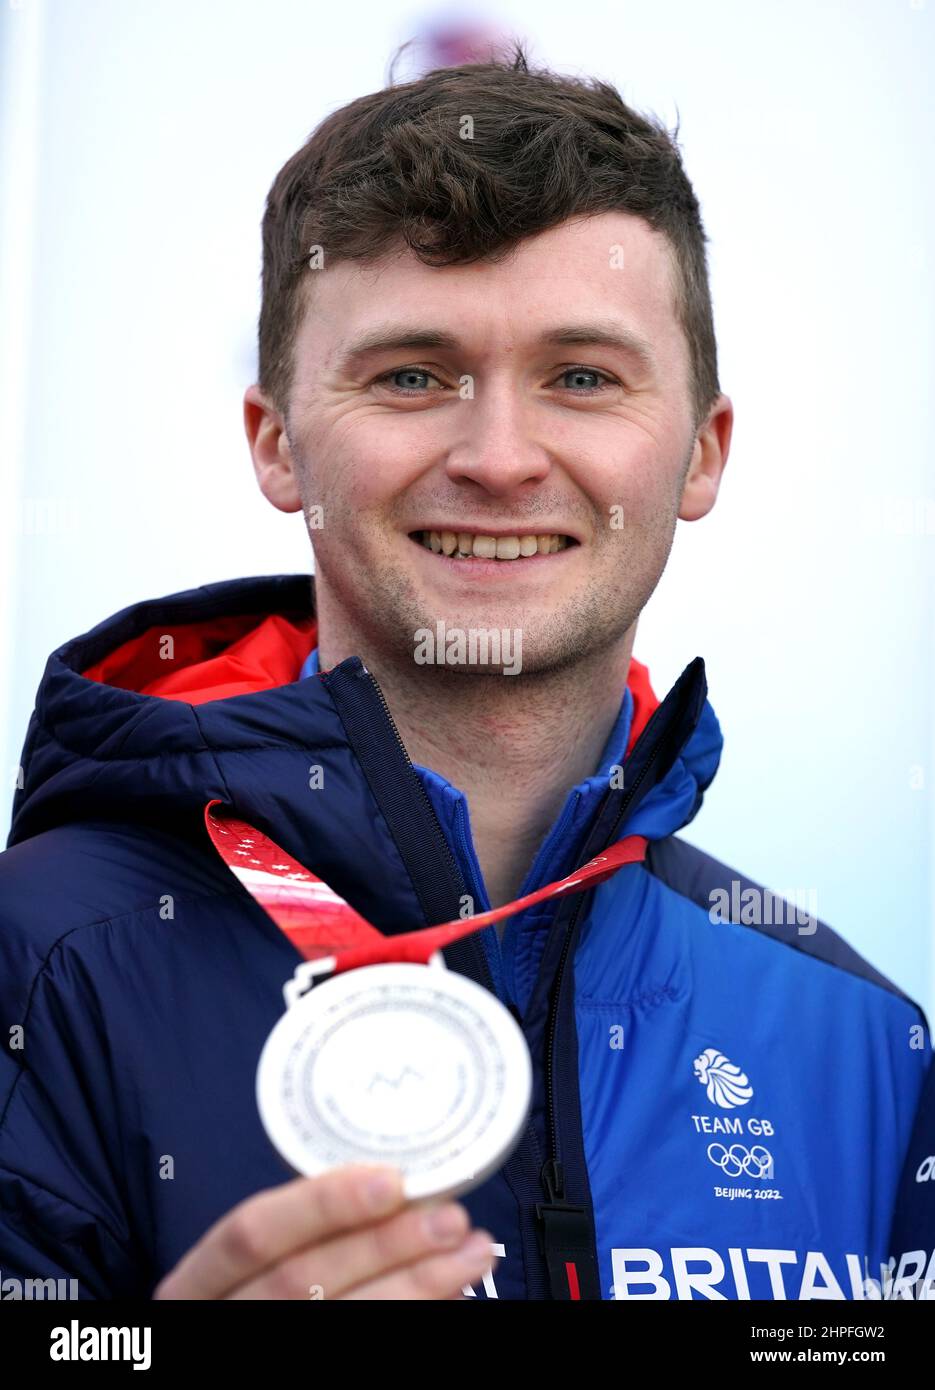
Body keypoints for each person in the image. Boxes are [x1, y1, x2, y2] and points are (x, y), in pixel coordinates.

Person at [0, 43, 930, 1302]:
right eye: (411, 376)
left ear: (701, 453)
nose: (498, 457)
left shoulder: (856, 1036)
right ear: (276, 444)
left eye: (582, 377)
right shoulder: (39, 960)